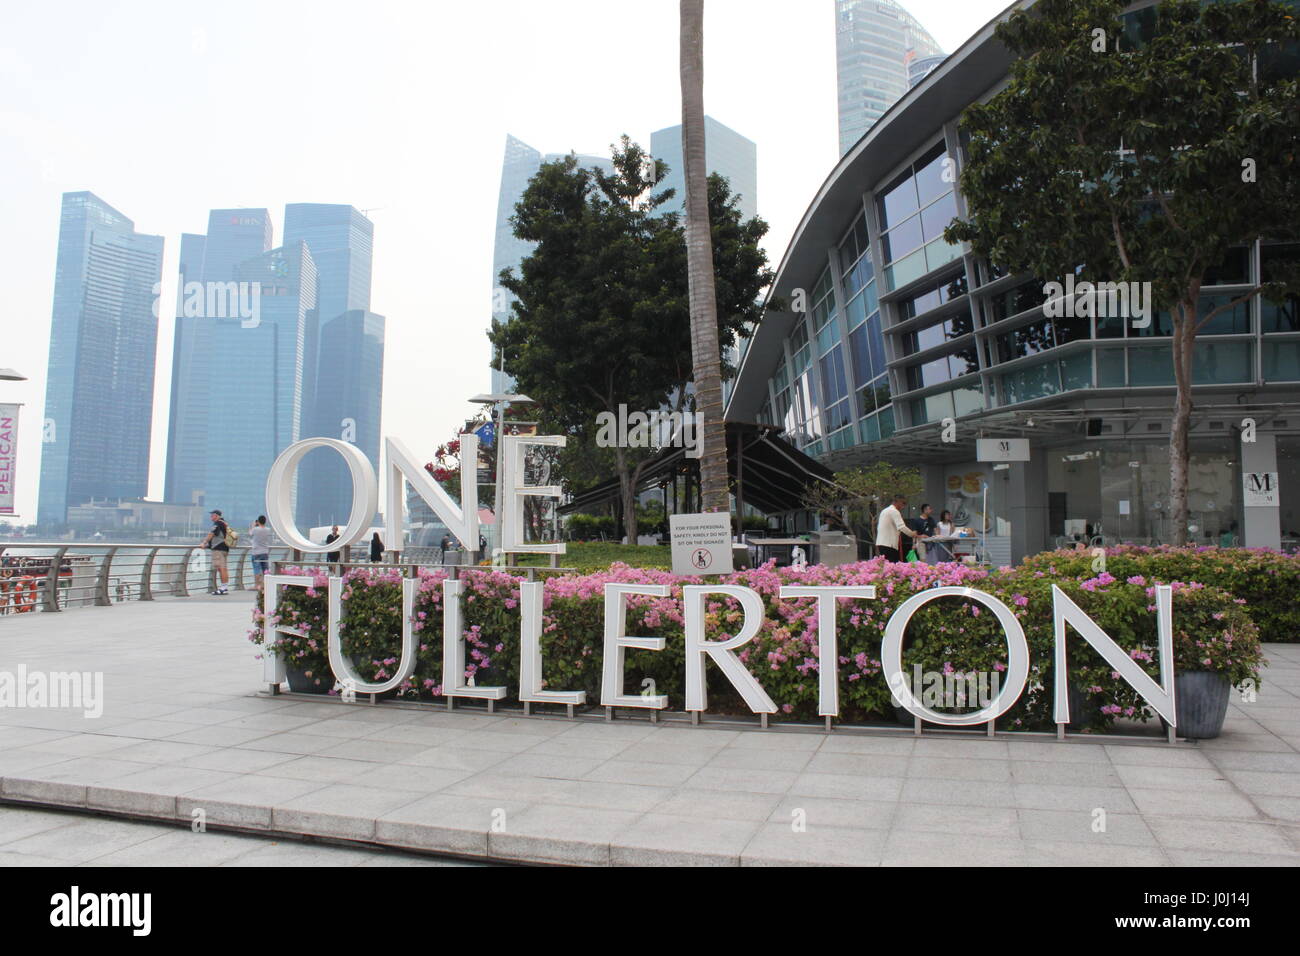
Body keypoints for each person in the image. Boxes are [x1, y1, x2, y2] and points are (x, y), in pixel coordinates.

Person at [876, 494, 921, 563]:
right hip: (889, 544)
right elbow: (901, 527)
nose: (904, 506)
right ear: (898, 501)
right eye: (903, 503)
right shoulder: (894, 511)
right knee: (892, 567)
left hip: (882, 543)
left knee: (886, 566)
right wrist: (913, 534)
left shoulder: (885, 510)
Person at [201, 509, 231, 595]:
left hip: (218, 549)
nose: (211, 516)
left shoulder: (218, 523)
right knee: (223, 568)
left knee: (221, 568)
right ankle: (224, 587)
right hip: (225, 548)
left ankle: (223, 588)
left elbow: (211, 534)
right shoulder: (224, 523)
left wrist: (204, 543)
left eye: (212, 515)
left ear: (217, 516)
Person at [249, 515, 272, 587]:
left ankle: (257, 585)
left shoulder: (255, 529)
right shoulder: (268, 529)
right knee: (265, 569)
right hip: (265, 552)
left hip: (256, 552)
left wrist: (253, 525)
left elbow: (250, 533)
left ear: (258, 521)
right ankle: (265, 585)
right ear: (265, 522)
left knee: (257, 569)